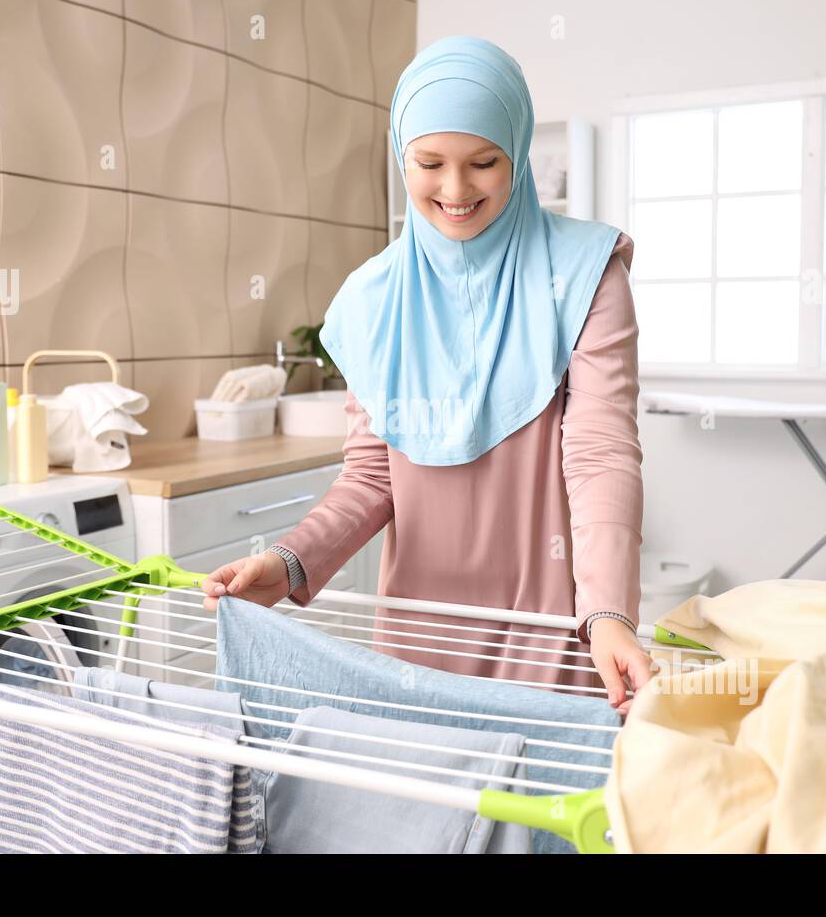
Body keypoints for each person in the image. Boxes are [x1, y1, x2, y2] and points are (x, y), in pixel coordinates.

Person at [203, 35, 651, 716]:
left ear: (518, 152)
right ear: (400, 156)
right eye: (430, 163)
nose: (455, 188)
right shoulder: (369, 302)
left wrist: (609, 612)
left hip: (552, 638)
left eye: (483, 162)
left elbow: (600, 455)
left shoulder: (587, 275)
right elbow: (371, 478)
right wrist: (292, 560)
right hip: (418, 641)